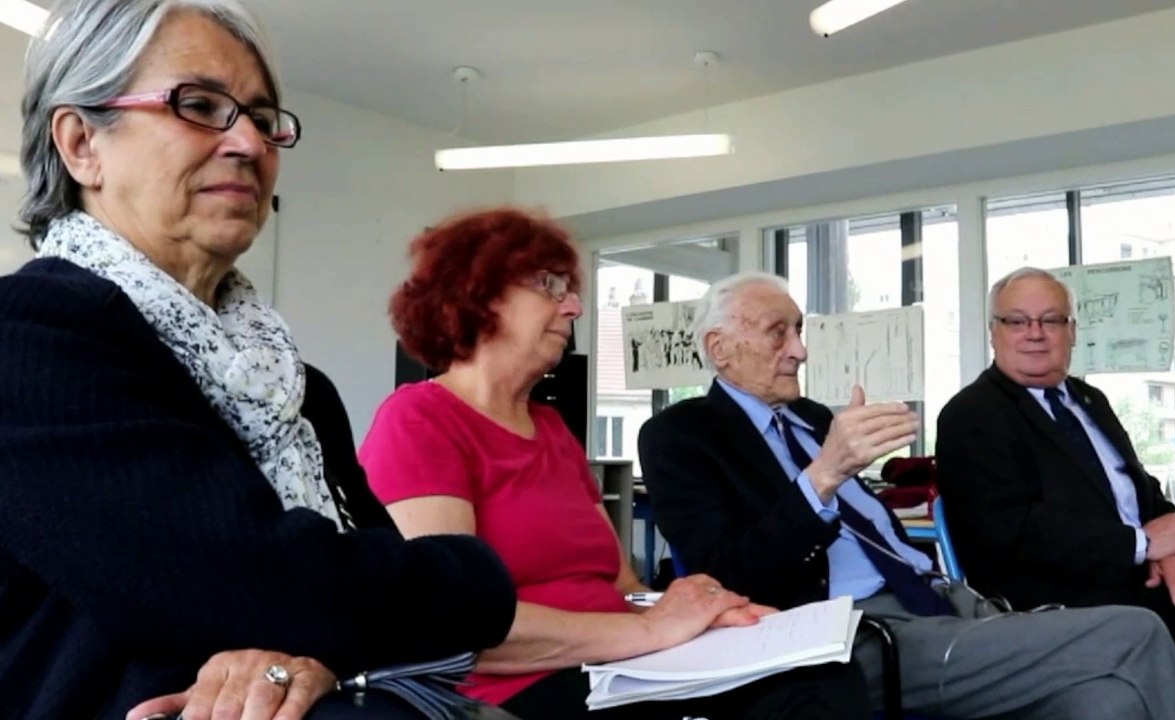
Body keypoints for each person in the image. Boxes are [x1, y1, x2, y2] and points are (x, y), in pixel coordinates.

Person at [0, 2, 517, 718]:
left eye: (264, 117)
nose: (248, 141)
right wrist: (476, 576)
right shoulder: (31, 336)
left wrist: (310, 657)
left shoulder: (302, 394)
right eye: (200, 104)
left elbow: (341, 611)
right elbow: (249, 586)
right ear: (83, 142)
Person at [358, 208, 873, 720]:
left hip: (619, 664)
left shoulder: (552, 430)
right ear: (478, 294)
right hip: (517, 689)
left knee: (821, 676)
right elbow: (453, 624)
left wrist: (700, 611)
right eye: (550, 287)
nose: (575, 308)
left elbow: (624, 589)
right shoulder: (419, 419)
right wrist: (651, 631)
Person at [638, 271, 1175, 720]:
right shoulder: (682, 436)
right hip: (847, 635)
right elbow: (726, 574)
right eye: (777, 333)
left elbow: (870, 526)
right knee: (1133, 630)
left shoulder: (810, 418)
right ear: (720, 348)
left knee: (1106, 704)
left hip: (941, 602)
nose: (800, 350)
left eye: (799, 330)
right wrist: (825, 475)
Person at [935, 265, 1175, 719]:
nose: (1035, 334)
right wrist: (1143, 545)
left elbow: (1139, 492)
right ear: (995, 332)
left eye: (1051, 320)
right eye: (1017, 321)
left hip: (1133, 564)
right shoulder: (971, 414)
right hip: (1062, 588)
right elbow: (1013, 531)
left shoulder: (1087, 398)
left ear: (1072, 332)